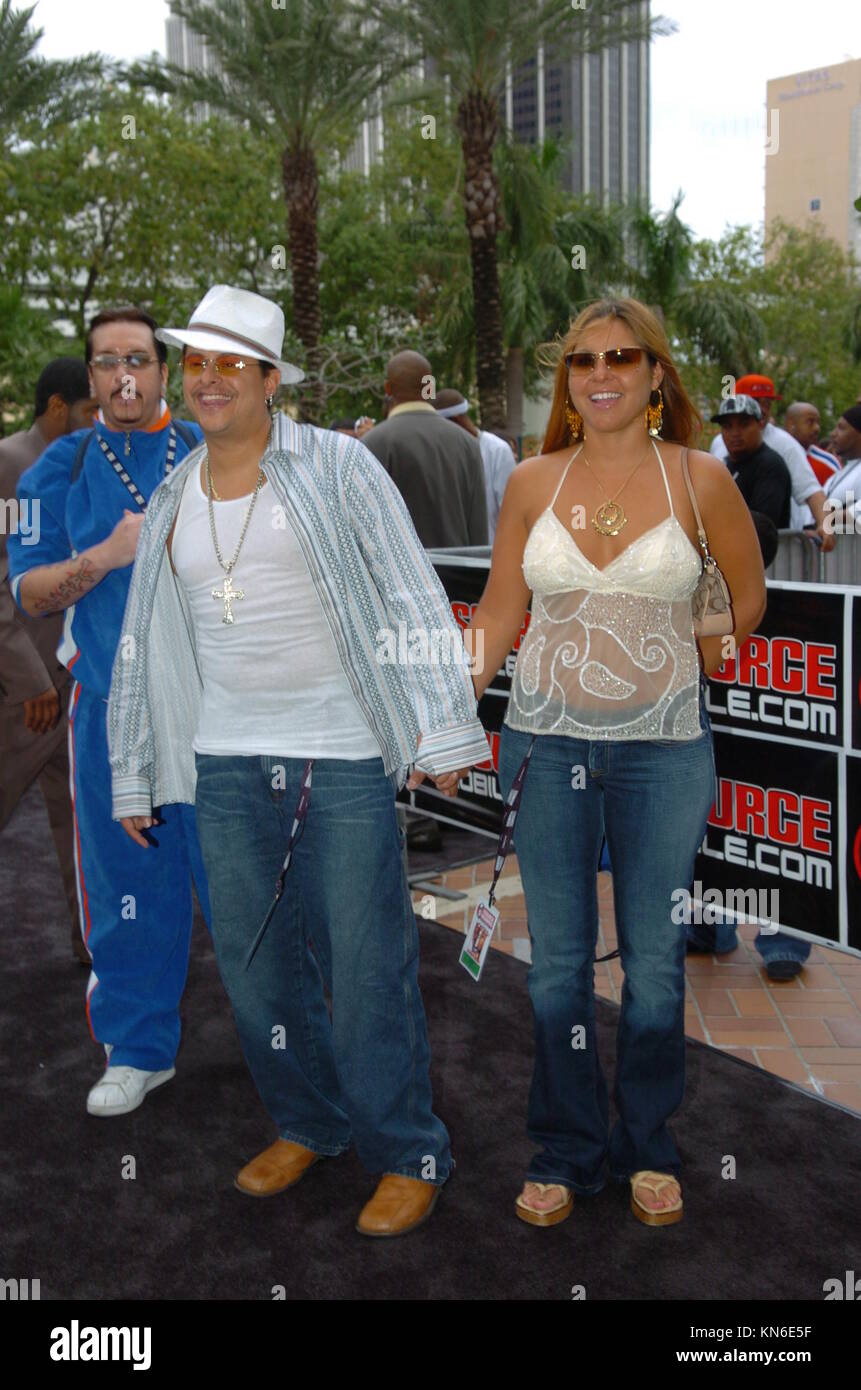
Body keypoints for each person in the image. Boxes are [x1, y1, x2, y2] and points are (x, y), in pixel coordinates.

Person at [108, 285, 490, 1237]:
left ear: (272, 381)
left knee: (366, 970)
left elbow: (408, 589)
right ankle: (308, 1122)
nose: (209, 378)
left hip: (342, 758)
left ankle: (407, 1149)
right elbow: (144, 643)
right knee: (254, 970)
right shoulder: (170, 494)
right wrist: (134, 764)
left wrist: (441, 728)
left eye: (232, 363)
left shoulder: (338, 465)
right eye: (196, 361)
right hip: (226, 761)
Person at [465, 298, 766, 1228]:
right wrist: (439, 714)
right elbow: (497, 617)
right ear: (566, 379)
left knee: (654, 963)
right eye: (581, 359)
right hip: (545, 744)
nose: (599, 373)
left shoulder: (699, 476)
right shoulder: (528, 481)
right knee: (555, 965)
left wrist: (667, 630)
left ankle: (647, 1142)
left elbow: (748, 604)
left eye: (621, 358)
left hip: (663, 749)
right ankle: (564, 1146)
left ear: (653, 376)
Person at [7, 307, 210, 1116]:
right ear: (88, 378)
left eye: (137, 358)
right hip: (108, 707)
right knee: (128, 881)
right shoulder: (53, 470)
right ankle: (136, 1047)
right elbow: (24, 590)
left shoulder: (208, 449)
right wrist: (104, 555)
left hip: (218, 705)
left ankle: (289, 1041)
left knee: (244, 878)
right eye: (104, 361)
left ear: (162, 368)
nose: (122, 375)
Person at [0, 358, 97, 965]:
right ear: (58, 407)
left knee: (80, 821)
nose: (99, 420)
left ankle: (91, 942)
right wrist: (28, 680)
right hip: (21, 688)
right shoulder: (10, 464)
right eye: (89, 409)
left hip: (73, 676)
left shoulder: (84, 466)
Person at [362, 352, 488, 548]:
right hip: (458, 577)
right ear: (430, 385)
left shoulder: (371, 444)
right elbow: (478, 531)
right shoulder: (467, 444)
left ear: (388, 388)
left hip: (399, 577)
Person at [709, 375, 833, 550]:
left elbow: (812, 491)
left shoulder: (785, 445)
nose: (764, 409)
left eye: (768, 403)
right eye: (757, 401)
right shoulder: (719, 444)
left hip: (770, 552)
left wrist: (825, 526)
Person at [434, 388, 517, 544]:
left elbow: (509, 512)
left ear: (456, 420)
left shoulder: (497, 449)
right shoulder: (443, 451)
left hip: (491, 553)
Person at [712, 395, 791, 529]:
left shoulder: (770, 466)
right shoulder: (726, 464)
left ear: (760, 424)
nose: (735, 433)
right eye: (727, 426)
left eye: (744, 424)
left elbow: (762, 525)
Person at [784, 401, 841, 486]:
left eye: (818, 422)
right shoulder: (772, 455)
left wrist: (849, 500)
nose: (817, 428)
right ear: (790, 424)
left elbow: (849, 492)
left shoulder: (829, 463)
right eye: (810, 422)